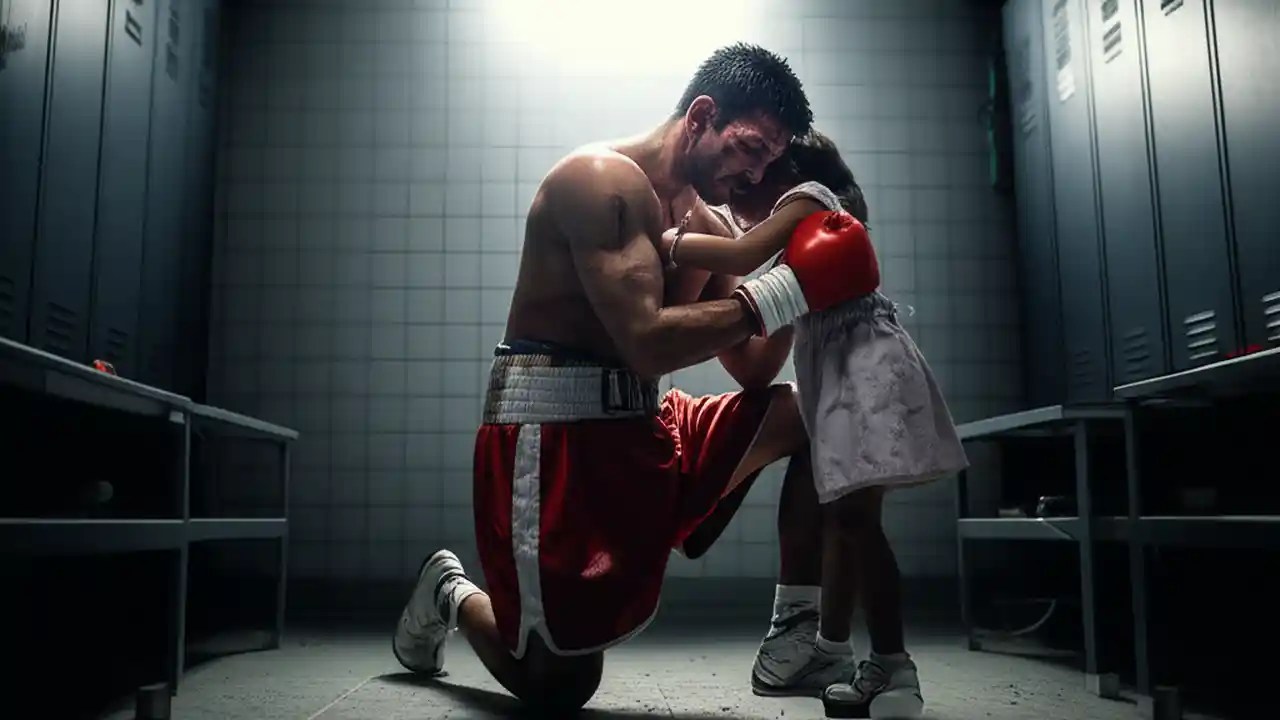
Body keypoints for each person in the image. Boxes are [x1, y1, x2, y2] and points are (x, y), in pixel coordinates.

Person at [390, 44, 872, 713]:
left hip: (647, 430)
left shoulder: (705, 223)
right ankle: (449, 591)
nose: (755, 173)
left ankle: (797, 633)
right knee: (557, 684)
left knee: (809, 413)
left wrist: (799, 260)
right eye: (751, 148)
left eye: (769, 160)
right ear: (703, 116)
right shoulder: (599, 183)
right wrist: (788, 290)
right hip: (555, 440)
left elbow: (758, 365)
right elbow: (645, 343)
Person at [659, 129, 969, 719]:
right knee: (849, 521)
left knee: (855, 522)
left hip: (861, 374)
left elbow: (741, 256)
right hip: (846, 377)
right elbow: (755, 346)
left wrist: (671, 240)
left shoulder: (808, 199)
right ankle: (845, 654)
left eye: (746, 178)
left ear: (779, 169)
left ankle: (894, 666)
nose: (735, 192)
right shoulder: (807, 238)